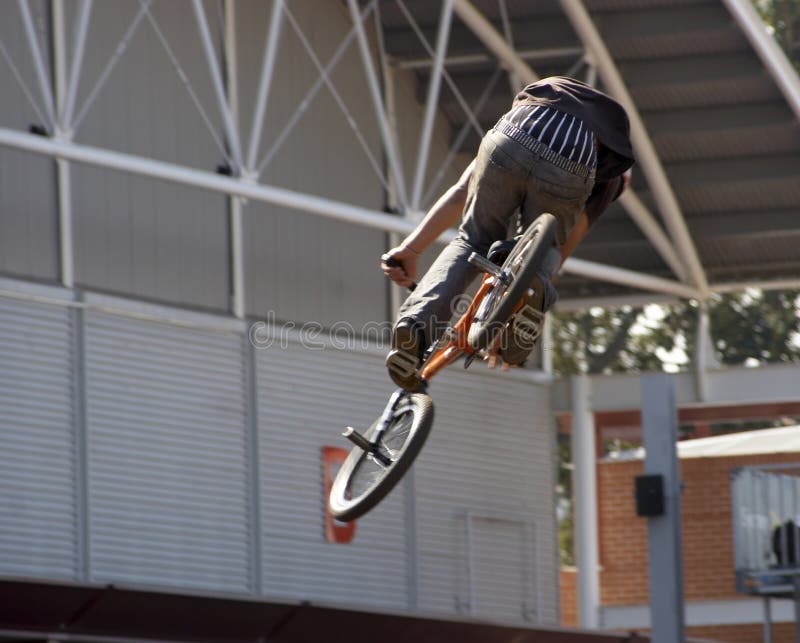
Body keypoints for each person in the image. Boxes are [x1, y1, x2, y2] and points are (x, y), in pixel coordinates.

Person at [382, 76, 635, 390]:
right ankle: (530, 293)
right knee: (548, 248)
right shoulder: (612, 173)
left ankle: (416, 325)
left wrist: (410, 249)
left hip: (516, 130)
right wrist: (533, 294)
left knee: (473, 240)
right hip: (573, 153)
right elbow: (564, 243)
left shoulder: (545, 102)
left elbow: (462, 191)